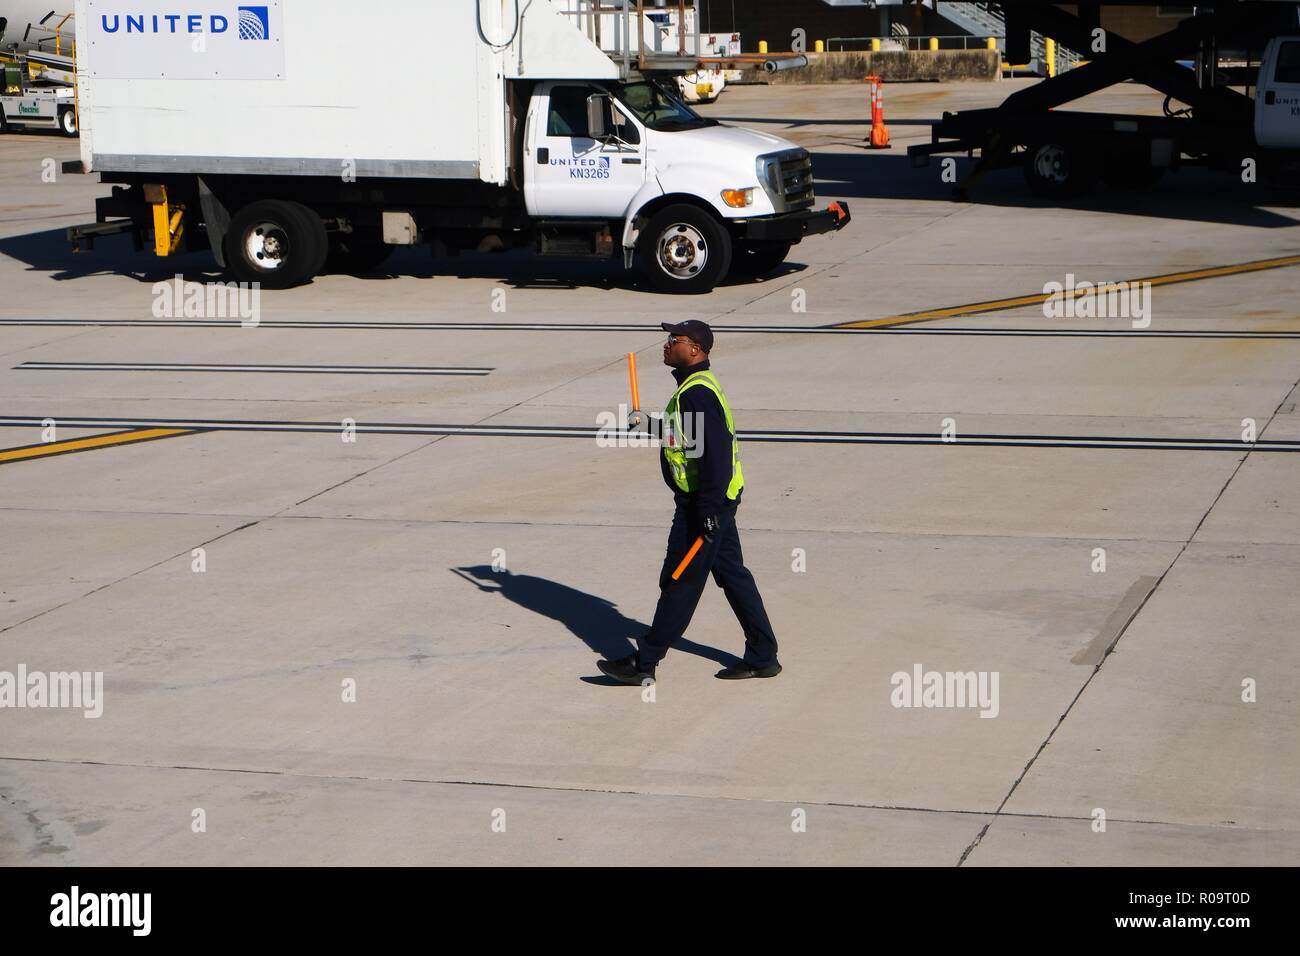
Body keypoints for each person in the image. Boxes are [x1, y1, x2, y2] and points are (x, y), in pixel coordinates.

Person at [598, 320, 781, 685]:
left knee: (680, 580)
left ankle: (645, 662)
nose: (666, 345)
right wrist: (648, 424)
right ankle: (763, 655)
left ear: (695, 349)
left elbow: (715, 458)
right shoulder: (693, 389)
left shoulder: (697, 393)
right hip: (716, 502)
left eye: (674, 340)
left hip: (704, 504)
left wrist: (708, 514)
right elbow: (688, 436)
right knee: (733, 576)